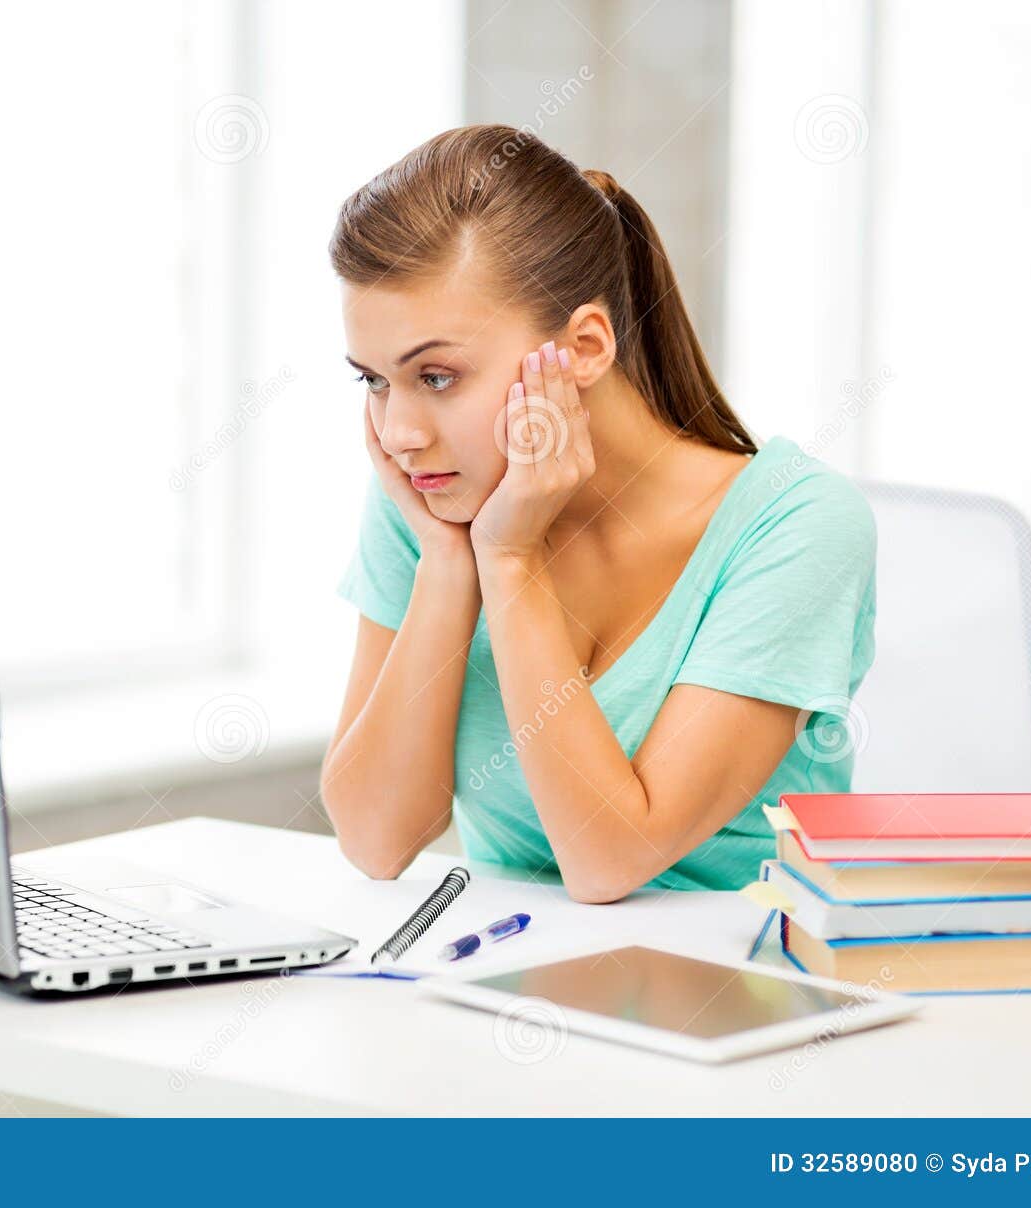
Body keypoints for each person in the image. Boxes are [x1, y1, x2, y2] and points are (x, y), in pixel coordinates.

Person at [320, 125, 875, 902]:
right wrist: (450, 566)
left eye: (437, 377)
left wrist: (509, 562)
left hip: (746, 987)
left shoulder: (797, 527)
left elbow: (608, 859)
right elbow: (375, 840)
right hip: (517, 984)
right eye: (373, 382)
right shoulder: (433, 499)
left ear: (583, 347)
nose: (399, 434)